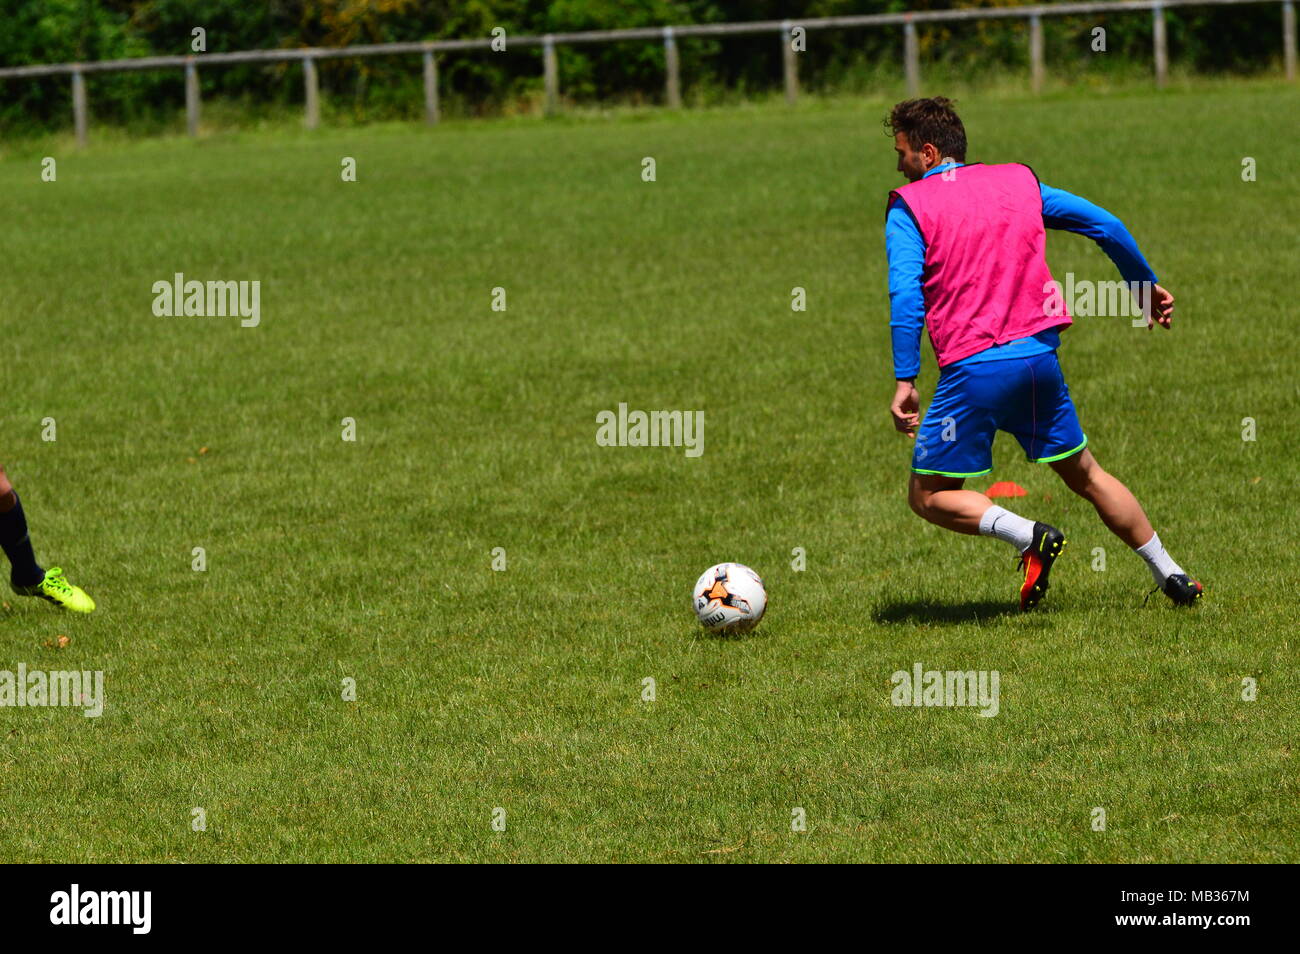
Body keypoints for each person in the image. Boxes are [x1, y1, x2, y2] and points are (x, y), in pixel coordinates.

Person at [884, 97, 1201, 610]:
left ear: (927, 151)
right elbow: (1107, 225)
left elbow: (904, 294)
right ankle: (1172, 574)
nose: (899, 165)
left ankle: (1028, 535)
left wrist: (905, 378)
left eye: (902, 154)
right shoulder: (1018, 181)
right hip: (1037, 362)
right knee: (1089, 476)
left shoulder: (910, 205)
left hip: (974, 370)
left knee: (929, 496)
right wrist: (1143, 287)